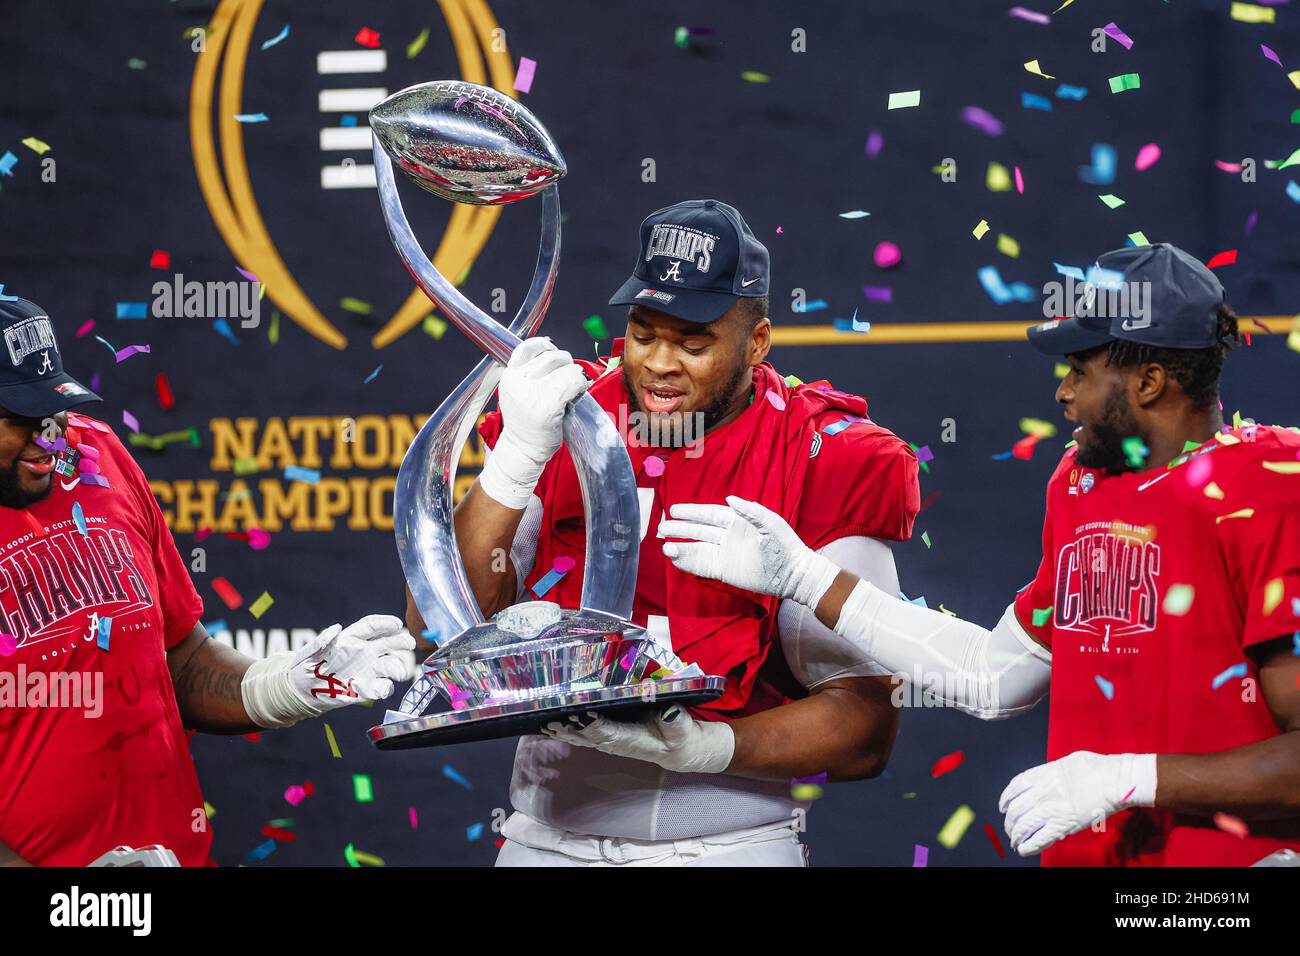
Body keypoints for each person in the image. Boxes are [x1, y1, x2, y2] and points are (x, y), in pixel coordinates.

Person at [661, 242, 1300, 866]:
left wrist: (1130, 778)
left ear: (1150, 381)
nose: (1063, 394)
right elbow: (996, 676)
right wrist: (804, 575)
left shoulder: (1272, 488)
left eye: (1080, 369)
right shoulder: (1081, 483)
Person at [406, 199, 920, 866]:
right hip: (543, 840)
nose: (660, 365)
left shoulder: (822, 455)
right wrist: (516, 460)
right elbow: (436, 627)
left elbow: (865, 729)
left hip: (727, 846)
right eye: (644, 334)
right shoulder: (566, 414)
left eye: (693, 342)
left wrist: (708, 748)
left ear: (757, 342)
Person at [0, 297, 413, 867]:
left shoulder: (94, 453)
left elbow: (179, 656)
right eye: (22, 417)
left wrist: (290, 684)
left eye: (56, 410)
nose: (49, 438)